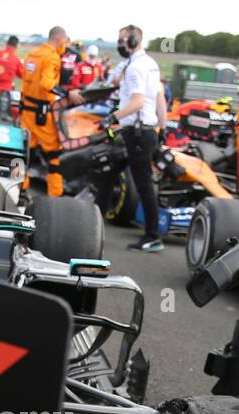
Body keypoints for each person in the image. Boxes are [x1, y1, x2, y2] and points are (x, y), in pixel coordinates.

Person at [99, 25, 166, 252]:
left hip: (136, 133)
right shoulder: (150, 64)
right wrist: (163, 127)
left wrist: (111, 118)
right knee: (111, 173)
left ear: (133, 40)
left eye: (121, 39)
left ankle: (153, 236)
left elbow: (137, 102)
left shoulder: (137, 67)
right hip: (144, 132)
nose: (119, 44)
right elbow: (160, 99)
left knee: (144, 186)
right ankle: (96, 219)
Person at [20, 27, 84, 198]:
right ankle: (55, 195)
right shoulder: (52, 58)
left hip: (26, 112)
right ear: (59, 40)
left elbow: (25, 80)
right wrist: (67, 93)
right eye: (65, 42)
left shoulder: (32, 55)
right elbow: (46, 83)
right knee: (54, 154)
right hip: (41, 113)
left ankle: (20, 188)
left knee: (25, 153)